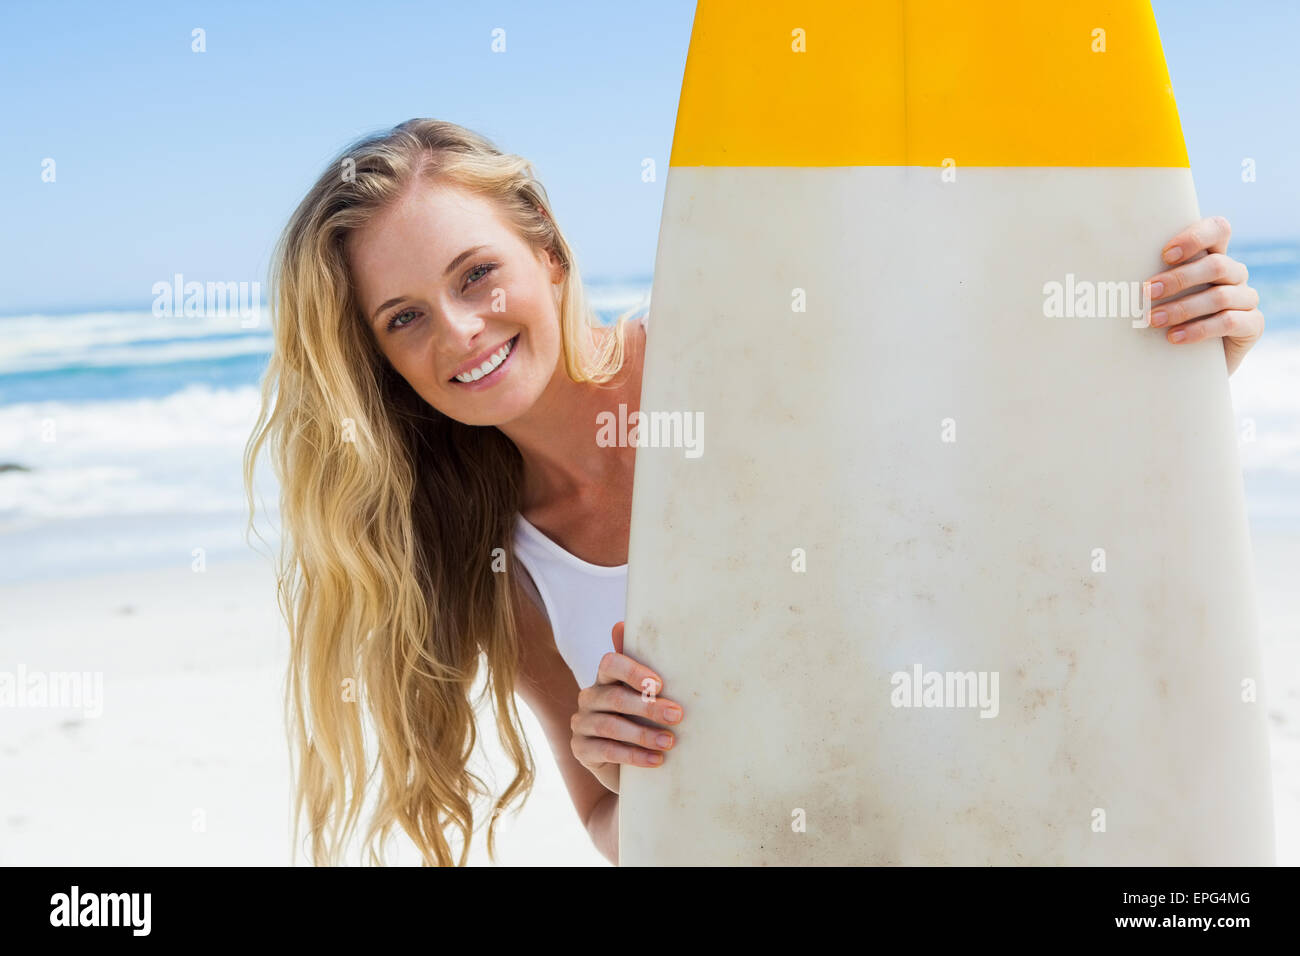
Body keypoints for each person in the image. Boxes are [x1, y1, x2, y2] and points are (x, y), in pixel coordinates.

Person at [243, 118, 1265, 867]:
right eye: (405, 319)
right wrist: (618, 761)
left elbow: (995, 483)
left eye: (476, 274)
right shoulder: (507, 569)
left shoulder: (729, 355)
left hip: (991, 815)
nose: (459, 331)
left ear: (546, 253)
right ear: (379, 362)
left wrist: (1187, 356)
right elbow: (615, 832)